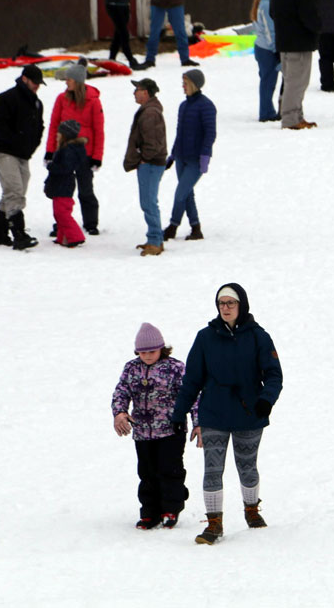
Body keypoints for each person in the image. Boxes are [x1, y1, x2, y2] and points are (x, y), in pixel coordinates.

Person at [170, 283, 283, 545]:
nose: (226, 307)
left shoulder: (258, 336)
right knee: (212, 469)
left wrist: (266, 400)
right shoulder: (205, 337)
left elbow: (274, 374)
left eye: (231, 303)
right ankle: (214, 524)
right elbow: (192, 381)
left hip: (249, 413)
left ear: (241, 305)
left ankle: (252, 511)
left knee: (247, 467)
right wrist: (179, 413)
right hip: (214, 413)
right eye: (222, 303)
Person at [111, 322, 197, 530]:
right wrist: (120, 413)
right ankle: (149, 512)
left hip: (171, 431)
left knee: (170, 470)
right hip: (142, 432)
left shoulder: (175, 368)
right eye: (143, 352)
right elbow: (121, 392)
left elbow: (192, 395)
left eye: (152, 351)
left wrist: (198, 422)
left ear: (161, 349)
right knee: (147, 473)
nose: (147, 356)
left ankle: (171, 509)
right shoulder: (131, 368)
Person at [0, 64, 45, 250]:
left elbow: (40, 127)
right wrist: (16, 141)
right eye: (35, 82)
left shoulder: (37, 103)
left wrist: (31, 146)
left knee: (15, 192)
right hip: (3, 152)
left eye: (39, 83)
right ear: (24, 79)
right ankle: (19, 233)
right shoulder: (6, 98)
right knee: (15, 191)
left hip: (23, 155)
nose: (37, 86)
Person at [45, 63, 105, 236]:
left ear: (78, 81)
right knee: (61, 189)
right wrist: (50, 151)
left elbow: (99, 130)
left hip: (85, 153)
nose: (66, 82)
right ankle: (63, 222)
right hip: (63, 152)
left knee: (86, 189)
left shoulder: (93, 101)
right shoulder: (61, 99)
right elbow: (53, 125)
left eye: (69, 79)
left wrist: (97, 156)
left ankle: (90, 222)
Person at [163, 69, 216, 243]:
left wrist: (205, 154)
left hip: (195, 159)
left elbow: (210, 132)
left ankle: (173, 226)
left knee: (180, 194)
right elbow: (180, 132)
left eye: (185, 83)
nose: (183, 86)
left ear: (194, 84)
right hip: (181, 157)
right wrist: (172, 154)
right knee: (187, 194)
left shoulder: (206, 106)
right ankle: (196, 228)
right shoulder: (183, 106)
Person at [270, 0, 321, 130]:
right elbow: (309, 17)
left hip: (284, 44)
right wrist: (318, 27)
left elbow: (272, 13)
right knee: (297, 82)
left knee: (292, 80)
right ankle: (291, 119)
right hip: (299, 44)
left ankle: (296, 116)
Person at [123, 78, 168, 256]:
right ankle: (154, 238)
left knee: (149, 203)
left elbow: (153, 142)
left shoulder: (150, 113)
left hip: (151, 164)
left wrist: (145, 158)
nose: (134, 92)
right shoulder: (149, 110)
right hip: (151, 163)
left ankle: (155, 241)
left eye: (138, 89)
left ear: (146, 93)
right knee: (149, 202)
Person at [43, 118, 88, 247]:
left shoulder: (68, 150)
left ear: (65, 135)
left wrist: (51, 166)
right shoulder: (67, 149)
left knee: (62, 213)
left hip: (63, 185)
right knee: (59, 213)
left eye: (59, 133)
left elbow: (65, 168)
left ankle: (75, 236)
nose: (57, 135)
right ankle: (63, 237)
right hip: (61, 186)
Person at [251, 0, 282, 122]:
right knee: (268, 82)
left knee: (267, 80)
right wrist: (276, 50)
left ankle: (267, 110)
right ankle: (266, 112)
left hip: (262, 47)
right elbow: (270, 31)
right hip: (267, 49)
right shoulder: (267, 5)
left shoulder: (262, 3)